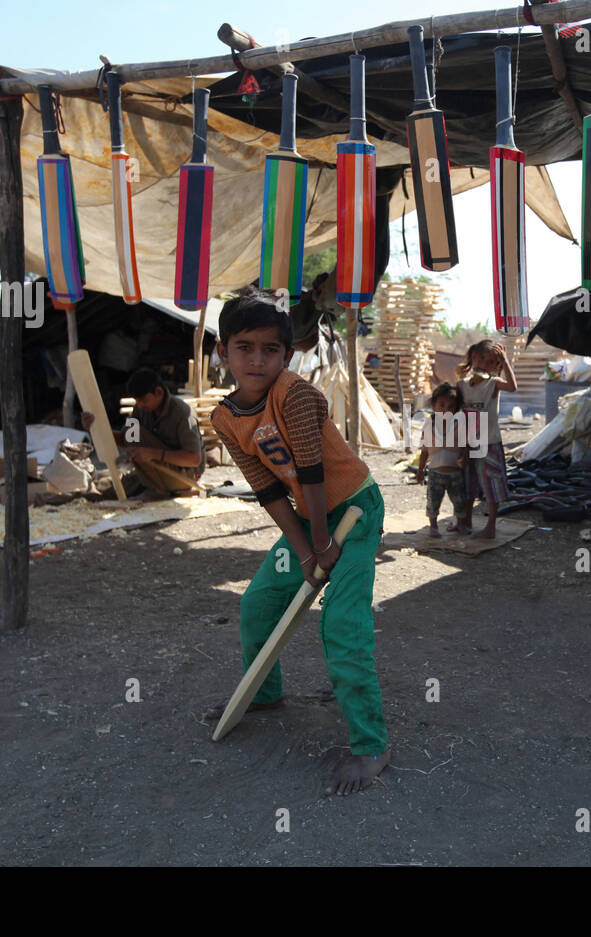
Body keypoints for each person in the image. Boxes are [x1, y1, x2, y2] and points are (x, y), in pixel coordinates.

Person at [203, 290, 389, 796]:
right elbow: (268, 489)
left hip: (354, 510)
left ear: (287, 355)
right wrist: (306, 550)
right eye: (244, 347)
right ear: (224, 352)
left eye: (270, 349)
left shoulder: (296, 395)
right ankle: (262, 694)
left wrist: (325, 547)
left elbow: (311, 473)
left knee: (342, 626)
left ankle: (371, 745)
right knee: (259, 603)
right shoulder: (224, 418)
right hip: (310, 521)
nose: (257, 359)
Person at [82, 368, 205, 500]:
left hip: (185, 477)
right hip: (158, 473)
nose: (140, 405)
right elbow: (127, 440)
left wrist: (152, 454)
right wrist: (96, 429)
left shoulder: (182, 414)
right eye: (137, 401)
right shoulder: (140, 409)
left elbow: (194, 459)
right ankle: (153, 487)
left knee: (138, 434)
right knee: (105, 492)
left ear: (158, 392)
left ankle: (158, 491)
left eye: (143, 400)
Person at [456, 340, 517, 539]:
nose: (484, 363)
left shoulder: (494, 383)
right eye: (481, 357)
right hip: (469, 443)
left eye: (491, 361)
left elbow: (513, 387)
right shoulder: (462, 386)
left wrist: (506, 360)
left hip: (489, 443)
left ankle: (490, 526)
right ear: (472, 357)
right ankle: (465, 521)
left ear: (496, 366)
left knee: (492, 484)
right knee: (468, 484)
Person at [416, 383, 469, 537]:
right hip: (435, 473)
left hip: (455, 473)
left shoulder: (459, 425)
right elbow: (424, 452)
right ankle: (433, 527)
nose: (446, 409)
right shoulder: (428, 426)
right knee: (433, 501)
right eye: (442, 405)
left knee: (459, 501)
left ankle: (460, 524)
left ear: (457, 408)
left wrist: (464, 459)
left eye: (451, 407)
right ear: (433, 405)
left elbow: (465, 446)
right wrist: (420, 471)